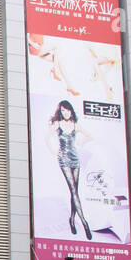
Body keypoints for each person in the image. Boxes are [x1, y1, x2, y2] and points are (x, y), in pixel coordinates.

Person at [46, 100, 92, 240]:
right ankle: (84, 222)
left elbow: (90, 135)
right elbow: (46, 138)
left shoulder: (75, 125)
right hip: (64, 159)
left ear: (71, 110)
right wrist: (55, 151)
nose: (65, 113)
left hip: (75, 159)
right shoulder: (57, 124)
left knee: (75, 192)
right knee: (73, 190)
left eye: (67, 110)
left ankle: (71, 219)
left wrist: (82, 142)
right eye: (63, 111)